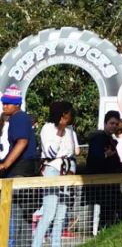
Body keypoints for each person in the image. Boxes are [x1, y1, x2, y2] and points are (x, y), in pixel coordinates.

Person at [33, 101, 77, 247]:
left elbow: (73, 151)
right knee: (49, 213)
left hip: (68, 170)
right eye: (67, 113)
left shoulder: (71, 130)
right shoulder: (47, 128)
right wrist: (60, 130)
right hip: (52, 169)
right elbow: (51, 152)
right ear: (61, 114)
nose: (69, 116)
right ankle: (37, 244)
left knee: (61, 215)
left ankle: (56, 244)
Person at [0, 84, 36, 178]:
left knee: (15, 193)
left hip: (21, 168)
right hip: (20, 166)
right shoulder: (17, 117)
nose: (4, 106)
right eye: (3, 103)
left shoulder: (19, 117)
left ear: (17, 104)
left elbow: (22, 142)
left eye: (8, 103)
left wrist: (5, 164)